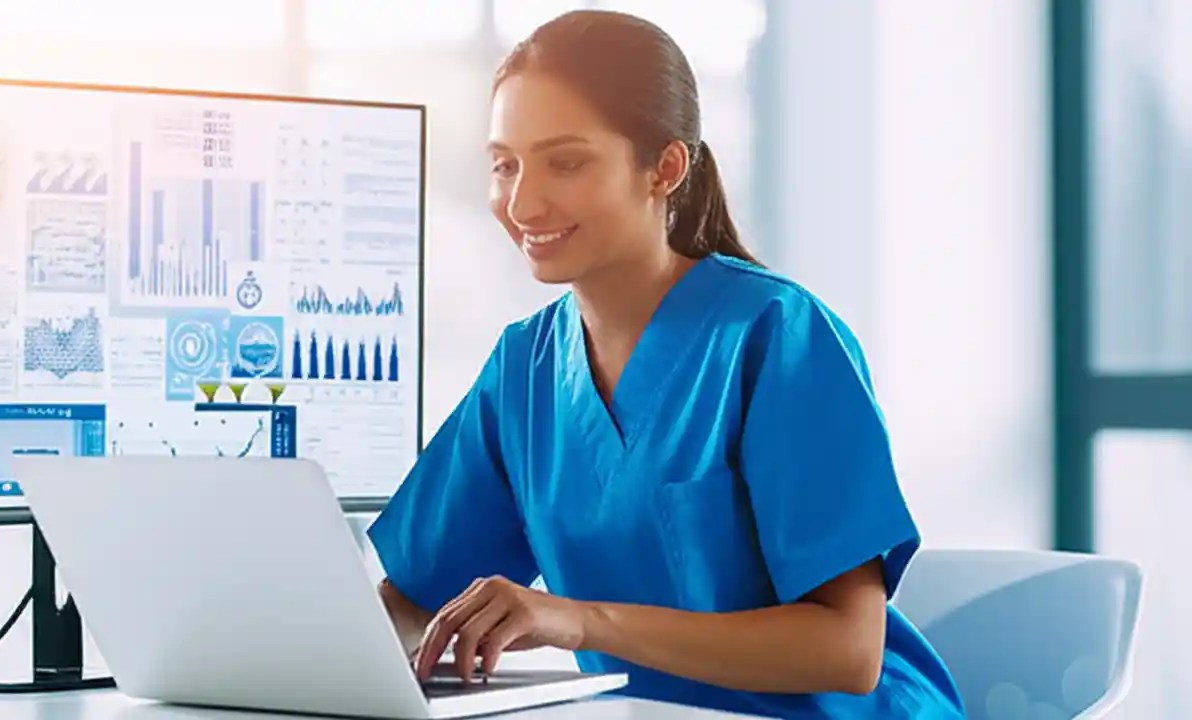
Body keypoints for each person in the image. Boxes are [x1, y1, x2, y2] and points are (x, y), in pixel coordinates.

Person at [367, 9, 966, 719]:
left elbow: (848, 651)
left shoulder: (777, 337)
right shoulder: (523, 372)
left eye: (566, 161)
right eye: (505, 165)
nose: (522, 202)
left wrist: (578, 620)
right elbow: (412, 597)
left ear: (666, 167)